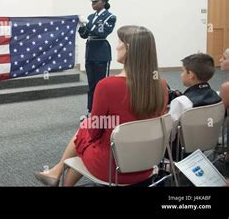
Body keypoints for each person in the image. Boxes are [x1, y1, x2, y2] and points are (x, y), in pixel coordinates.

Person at [34, 26, 168, 186]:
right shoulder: (161, 85)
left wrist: (86, 127)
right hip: (146, 164)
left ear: (129, 48)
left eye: (119, 42)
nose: (116, 46)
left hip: (112, 168)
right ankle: (55, 173)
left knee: (84, 130)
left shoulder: (107, 86)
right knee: (85, 133)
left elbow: (95, 131)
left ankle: (56, 173)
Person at [168, 53, 221, 142]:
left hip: (181, 152)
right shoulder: (218, 97)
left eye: (182, 71)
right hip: (208, 144)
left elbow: (169, 135)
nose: (181, 74)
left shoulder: (180, 102)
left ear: (191, 75)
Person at [78, 0, 116, 114]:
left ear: (104, 2)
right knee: (91, 85)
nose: (93, 3)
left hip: (101, 52)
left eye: (96, 1)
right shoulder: (90, 17)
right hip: (90, 52)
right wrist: (81, 26)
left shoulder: (110, 17)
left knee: (102, 85)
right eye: (92, 1)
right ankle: (91, 110)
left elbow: (102, 32)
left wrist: (88, 24)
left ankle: (103, 111)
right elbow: (85, 35)